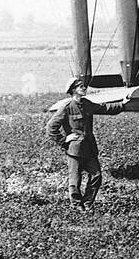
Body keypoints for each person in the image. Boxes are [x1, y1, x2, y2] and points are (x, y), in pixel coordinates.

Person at [46, 77, 126, 207]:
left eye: (84, 86)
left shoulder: (87, 103)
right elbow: (51, 127)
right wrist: (64, 139)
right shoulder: (67, 107)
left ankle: (87, 203)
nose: (84, 88)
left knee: (97, 176)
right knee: (75, 180)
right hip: (75, 149)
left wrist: (123, 104)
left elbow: (105, 108)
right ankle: (76, 206)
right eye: (81, 87)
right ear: (73, 90)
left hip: (89, 148)